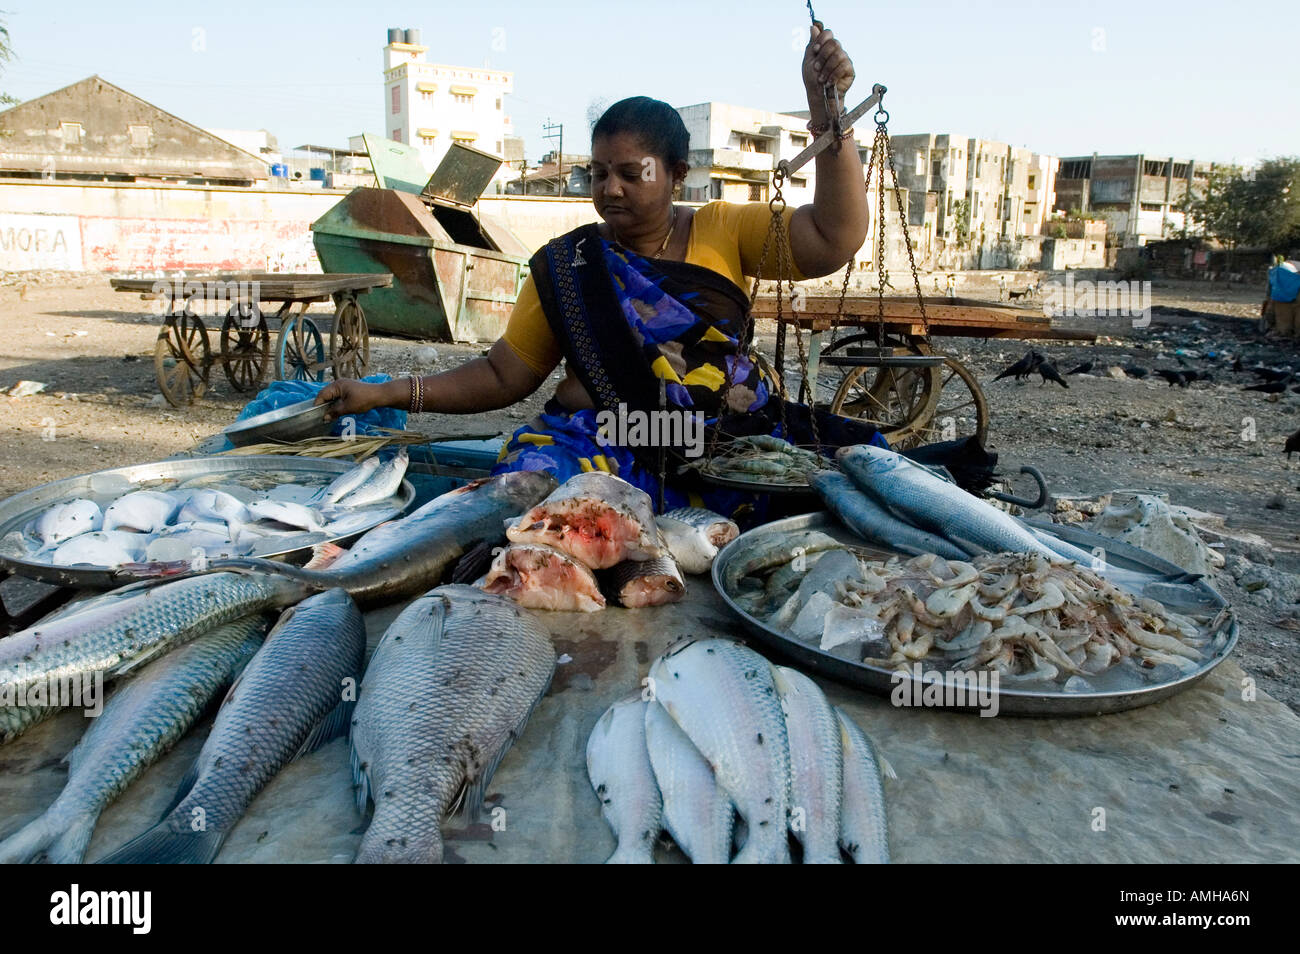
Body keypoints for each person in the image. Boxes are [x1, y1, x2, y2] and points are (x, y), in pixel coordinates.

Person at [316, 23, 886, 515]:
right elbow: (501, 375)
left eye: (630, 173)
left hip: (718, 443)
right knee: (538, 496)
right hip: (607, 440)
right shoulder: (570, 267)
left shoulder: (724, 229)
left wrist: (828, 113)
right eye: (597, 172)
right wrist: (385, 391)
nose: (609, 188)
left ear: (677, 173)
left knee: (843, 494)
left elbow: (835, 237)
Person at [1263, 254, 1300, 339]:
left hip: (1280, 298)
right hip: (1288, 298)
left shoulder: (1277, 272)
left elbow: (1269, 294)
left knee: (1283, 328)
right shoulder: (1280, 271)